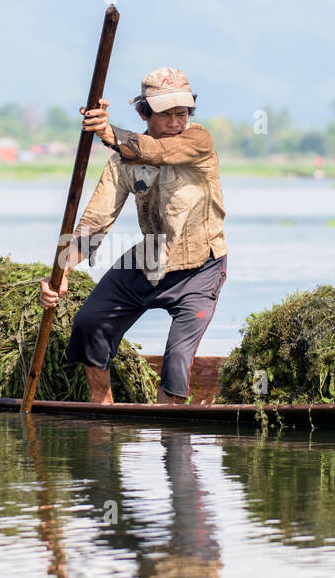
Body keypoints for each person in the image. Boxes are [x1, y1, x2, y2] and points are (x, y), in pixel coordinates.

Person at [39, 67, 227, 404]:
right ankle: (102, 405)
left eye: (181, 112)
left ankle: (169, 423)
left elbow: (157, 152)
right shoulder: (121, 164)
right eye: (165, 114)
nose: (175, 122)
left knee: (177, 362)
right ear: (143, 112)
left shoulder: (198, 141)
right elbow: (94, 225)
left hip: (202, 266)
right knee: (89, 323)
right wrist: (60, 273)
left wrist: (109, 132)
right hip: (152, 257)